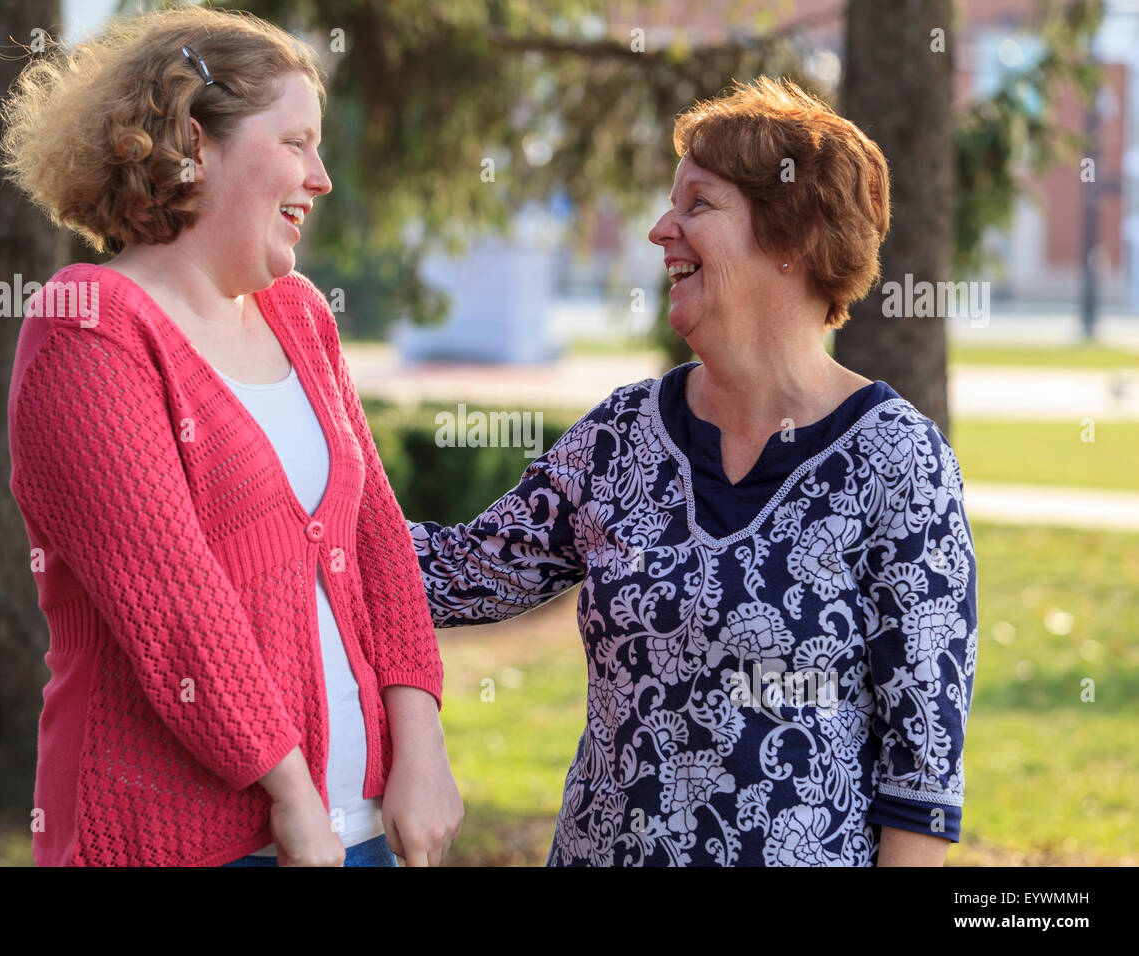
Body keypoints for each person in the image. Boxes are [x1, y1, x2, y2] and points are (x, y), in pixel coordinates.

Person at [408, 77, 978, 866]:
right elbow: (453, 574)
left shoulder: (898, 462)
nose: (659, 230)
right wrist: (284, 493)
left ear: (793, 237)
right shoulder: (621, 436)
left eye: (697, 206)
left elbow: (922, 773)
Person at [0, 6, 461, 867]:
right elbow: (174, 603)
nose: (320, 177)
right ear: (193, 145)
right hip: (191, 841)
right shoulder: (87, 326)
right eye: (296, 142)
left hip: (361, 829)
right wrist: (291, 795)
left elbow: (376, 540)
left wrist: (421, 743)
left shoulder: (300, 313)